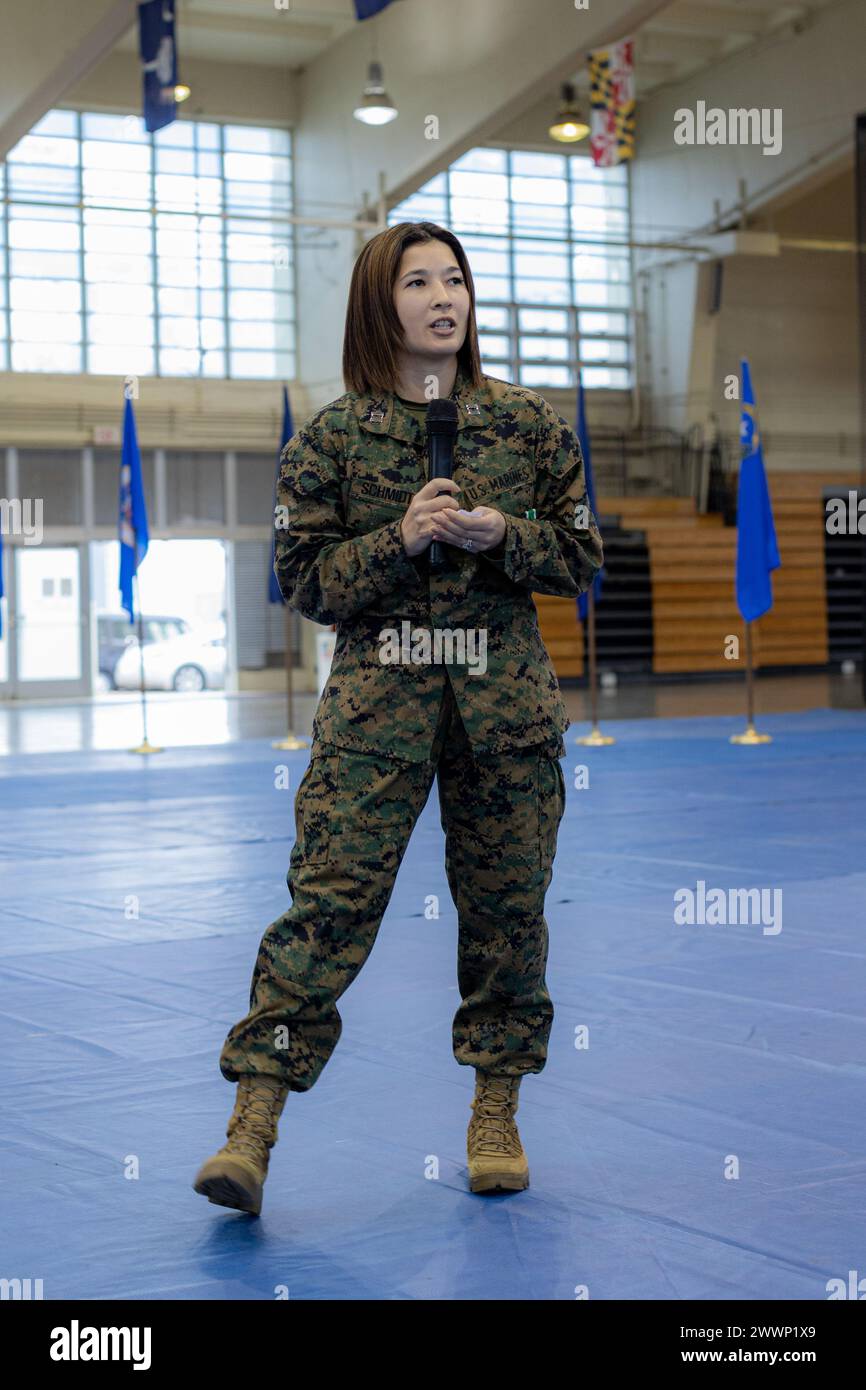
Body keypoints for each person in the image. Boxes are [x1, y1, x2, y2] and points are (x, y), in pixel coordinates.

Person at [193, 220, 603, 1216]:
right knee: (325, 911)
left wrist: (503, 533)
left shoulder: (531, 427)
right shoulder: (329, 440)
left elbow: (581, 558)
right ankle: (252, 1126)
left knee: (507, 915)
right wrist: (398, 540)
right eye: (416, 280)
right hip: (374, 719)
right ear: (382, 304)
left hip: (502, 715)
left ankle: (494, 1112)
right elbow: (301, 581)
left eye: (453, 278)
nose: (440, 296)